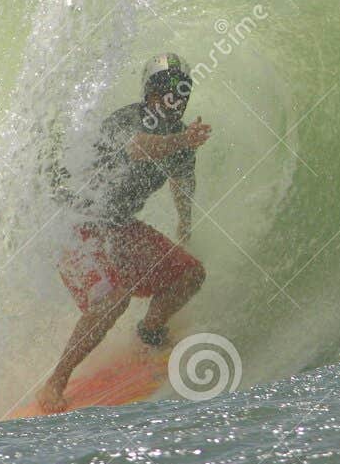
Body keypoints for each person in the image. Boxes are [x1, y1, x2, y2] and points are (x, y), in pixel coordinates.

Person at [37, 53, 212, 414]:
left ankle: (149, 332)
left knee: (190, 273)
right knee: (113, 300)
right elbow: (139, 148)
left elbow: (182, 182)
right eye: (163, 90)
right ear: (148, 94)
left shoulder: (180, 140)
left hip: (118, 228)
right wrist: (185, 141)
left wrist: (185, 223)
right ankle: (54, 383)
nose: (172, 99)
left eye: (180, 92)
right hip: (73, 225)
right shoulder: (130, 119)